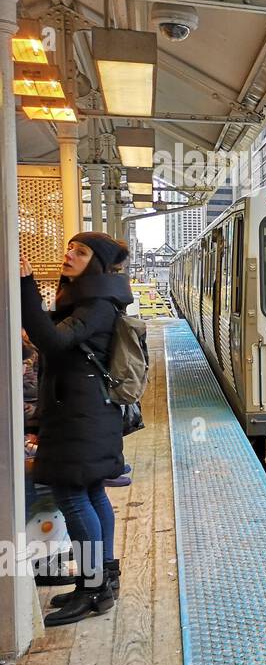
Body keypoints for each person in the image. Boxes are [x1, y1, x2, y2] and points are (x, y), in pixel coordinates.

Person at [19, 232, 133, 626]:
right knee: (90, 491)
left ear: (97, 264)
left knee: (72, 494)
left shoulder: (97, 303)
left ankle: (93, 587)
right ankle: (103, 580)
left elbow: (51, 342)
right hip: (84, 413)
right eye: (70, 248)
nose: (69, 254)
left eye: (80, 252)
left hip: (82, 417)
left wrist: (24, 285)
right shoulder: (89, 299)